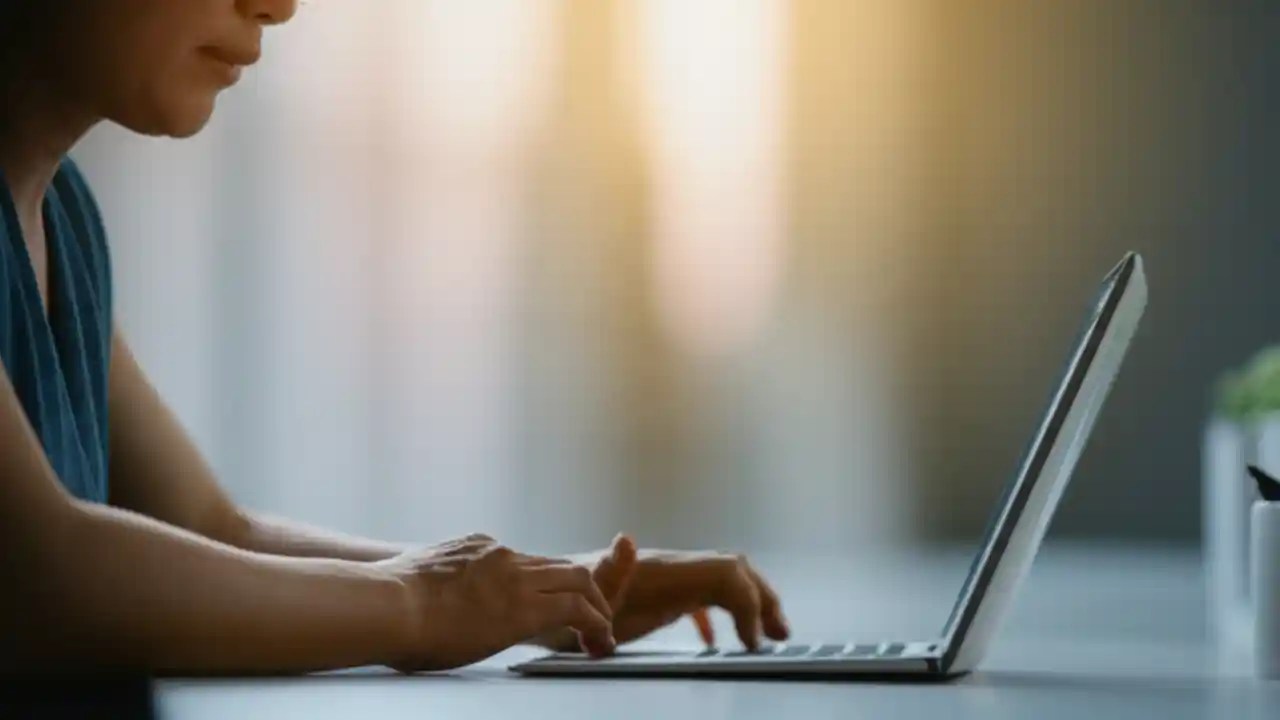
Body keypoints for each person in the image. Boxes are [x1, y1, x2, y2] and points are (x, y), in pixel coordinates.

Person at [0, 1, 790, 674]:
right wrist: (417, 605)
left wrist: (538, 595)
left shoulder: (65, 216)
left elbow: (207, 528)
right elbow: (40, 571)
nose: (279, 4)